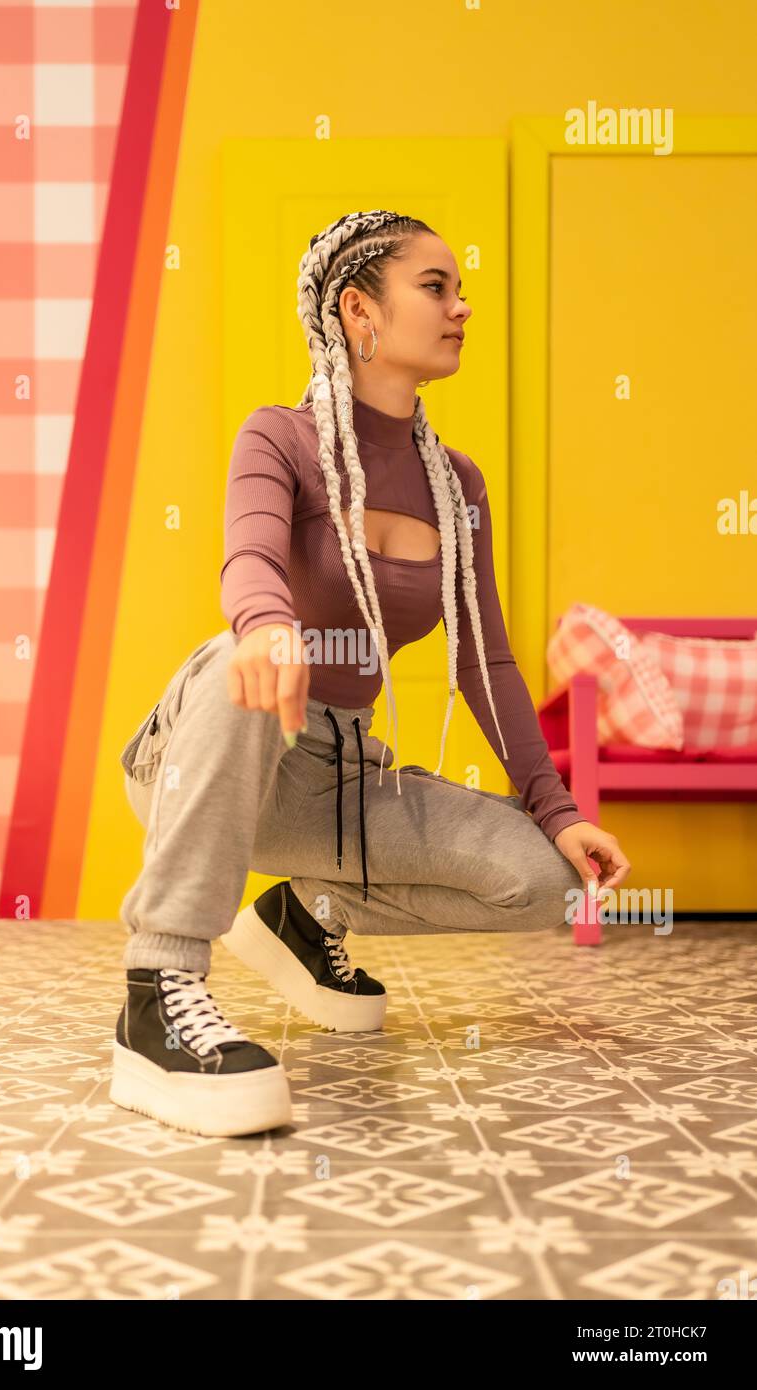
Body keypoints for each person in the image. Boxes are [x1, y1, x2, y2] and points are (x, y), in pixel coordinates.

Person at [110, 208, 630, 1140]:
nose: (461, 307)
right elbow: (249, 561)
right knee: (240, 656)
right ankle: (160, 989)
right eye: (436, 287)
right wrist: (268, 628)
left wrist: (556, 809)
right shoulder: (278, 437)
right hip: (217, 753)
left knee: (541, 881)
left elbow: (488, 657)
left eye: (461, 289)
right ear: (360, 312)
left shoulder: (457, 485)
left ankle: (308, 913)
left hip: (342, 778)